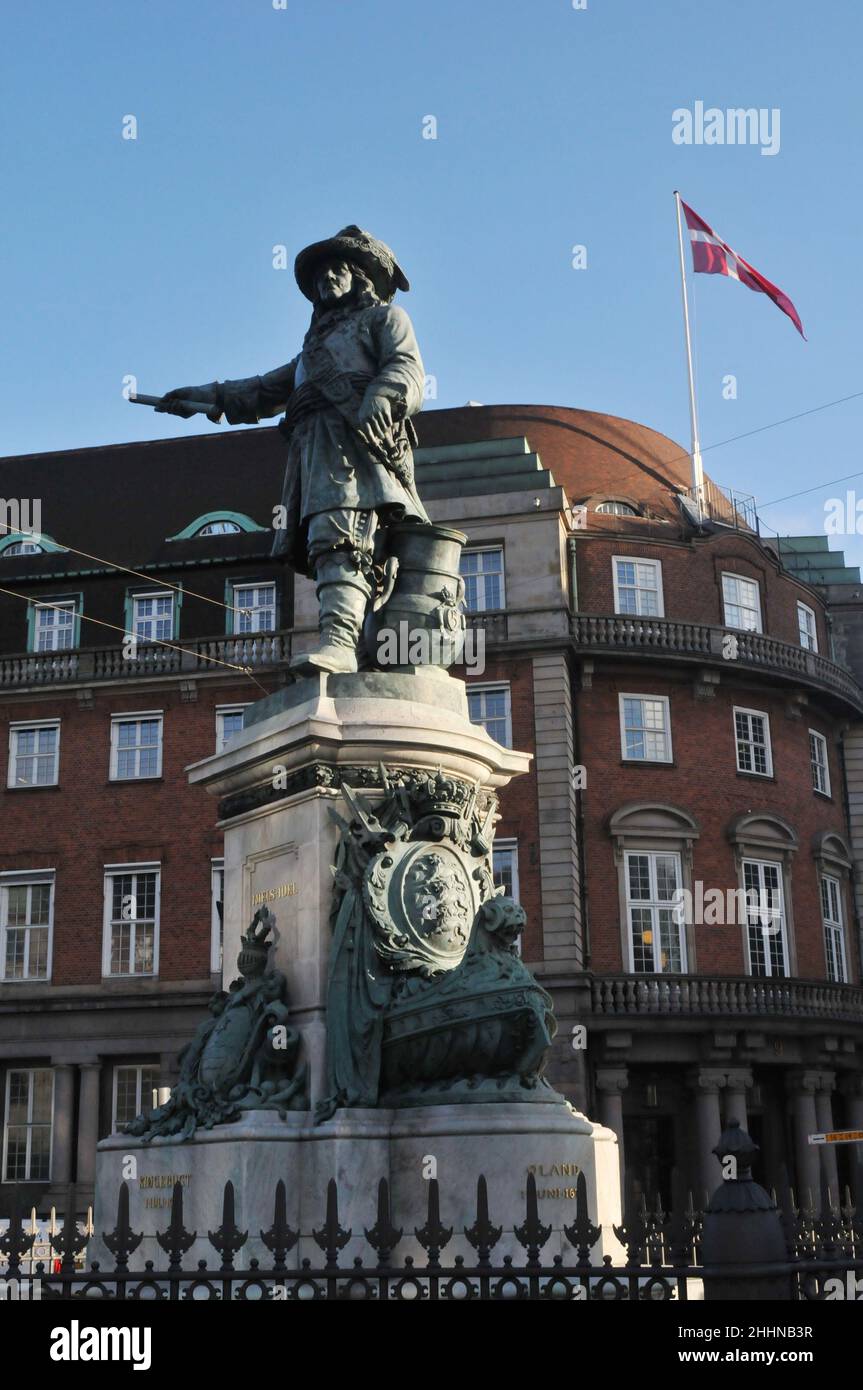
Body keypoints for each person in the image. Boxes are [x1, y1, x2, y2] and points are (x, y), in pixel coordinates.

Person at [157, 226, 429, 673]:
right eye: (320, 273)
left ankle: (342, 643)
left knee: (343, 537)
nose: (326, 279)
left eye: (337, 269)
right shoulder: (312, 350)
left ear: (360, 276)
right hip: (314, 447)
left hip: (356, 445)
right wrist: (201, 397)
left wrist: (383, 395)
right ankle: (353, 644)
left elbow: (407, 368)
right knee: (328, 539)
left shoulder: (384, 320)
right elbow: (262, 390)